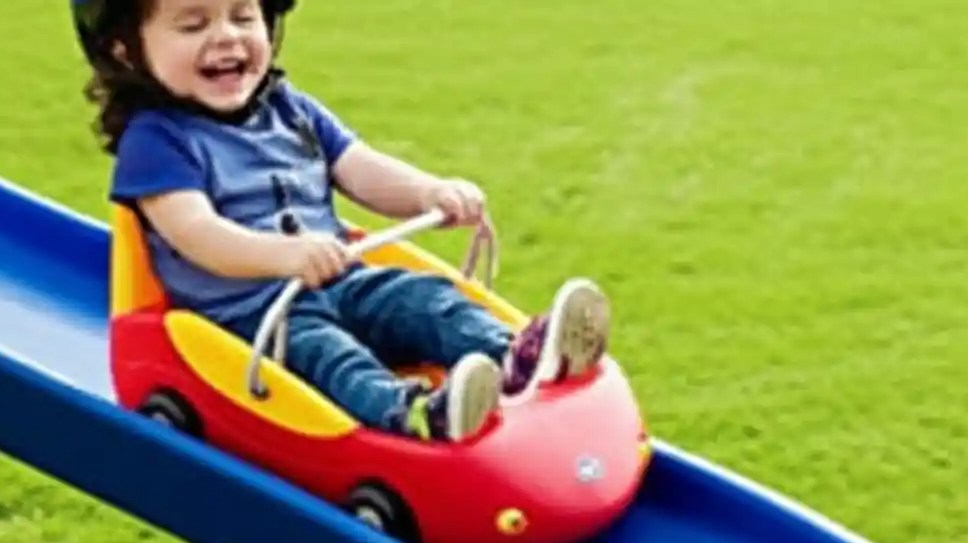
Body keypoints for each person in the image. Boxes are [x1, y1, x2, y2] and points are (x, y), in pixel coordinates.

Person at [70, 0, 611, 442]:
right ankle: (413, 415)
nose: (227, 37)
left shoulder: (291, 110)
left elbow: (362, 168)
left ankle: (517, 355)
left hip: (338, 277)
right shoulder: (156, 140)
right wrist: (284, 255)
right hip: (256, 319)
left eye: (243, 16)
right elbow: (197, 235)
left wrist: (430, 192)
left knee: (421, 298)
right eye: (193, 23)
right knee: (330, 356)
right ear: (126, 49)